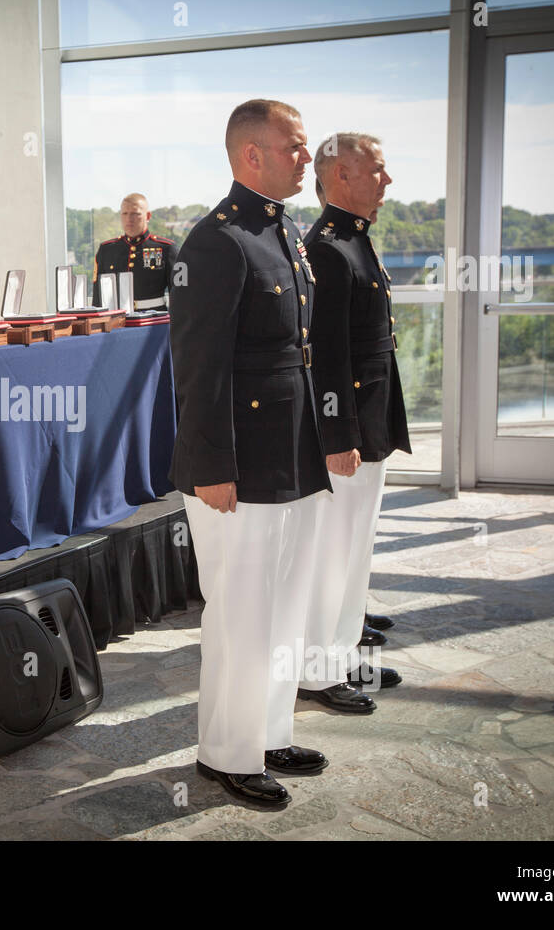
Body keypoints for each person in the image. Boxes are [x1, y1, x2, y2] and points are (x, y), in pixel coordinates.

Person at [169, 99, 330, 809]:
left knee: (286, 604)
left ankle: (268, 730)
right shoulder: (217, 242)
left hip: (290, 450)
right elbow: (197, 367)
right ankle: (226, 753)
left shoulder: (284, 229)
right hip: (235, 462)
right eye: (295, 147)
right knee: (240, 611)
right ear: (251, 156)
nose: (307, 158)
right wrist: (212, 467)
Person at [297, 132, 411, 714]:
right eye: (379, 171)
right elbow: (329, 356)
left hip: (371, 425)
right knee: (332, 557)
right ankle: (318, 672)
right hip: (349, 435)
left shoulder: (355, 240)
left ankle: (345, 657)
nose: (387, 182)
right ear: (342, 175)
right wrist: (337, 436)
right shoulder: (327, 247)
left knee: (355, 553)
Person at [93, 193, 175, 309]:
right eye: (125, 213)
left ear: (148, 216)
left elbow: (179, 294)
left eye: (135, 214)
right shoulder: (107, 250)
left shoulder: (166, 248)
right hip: (116, 321)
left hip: (154, 321)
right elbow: (98, 297)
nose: (129, 219)